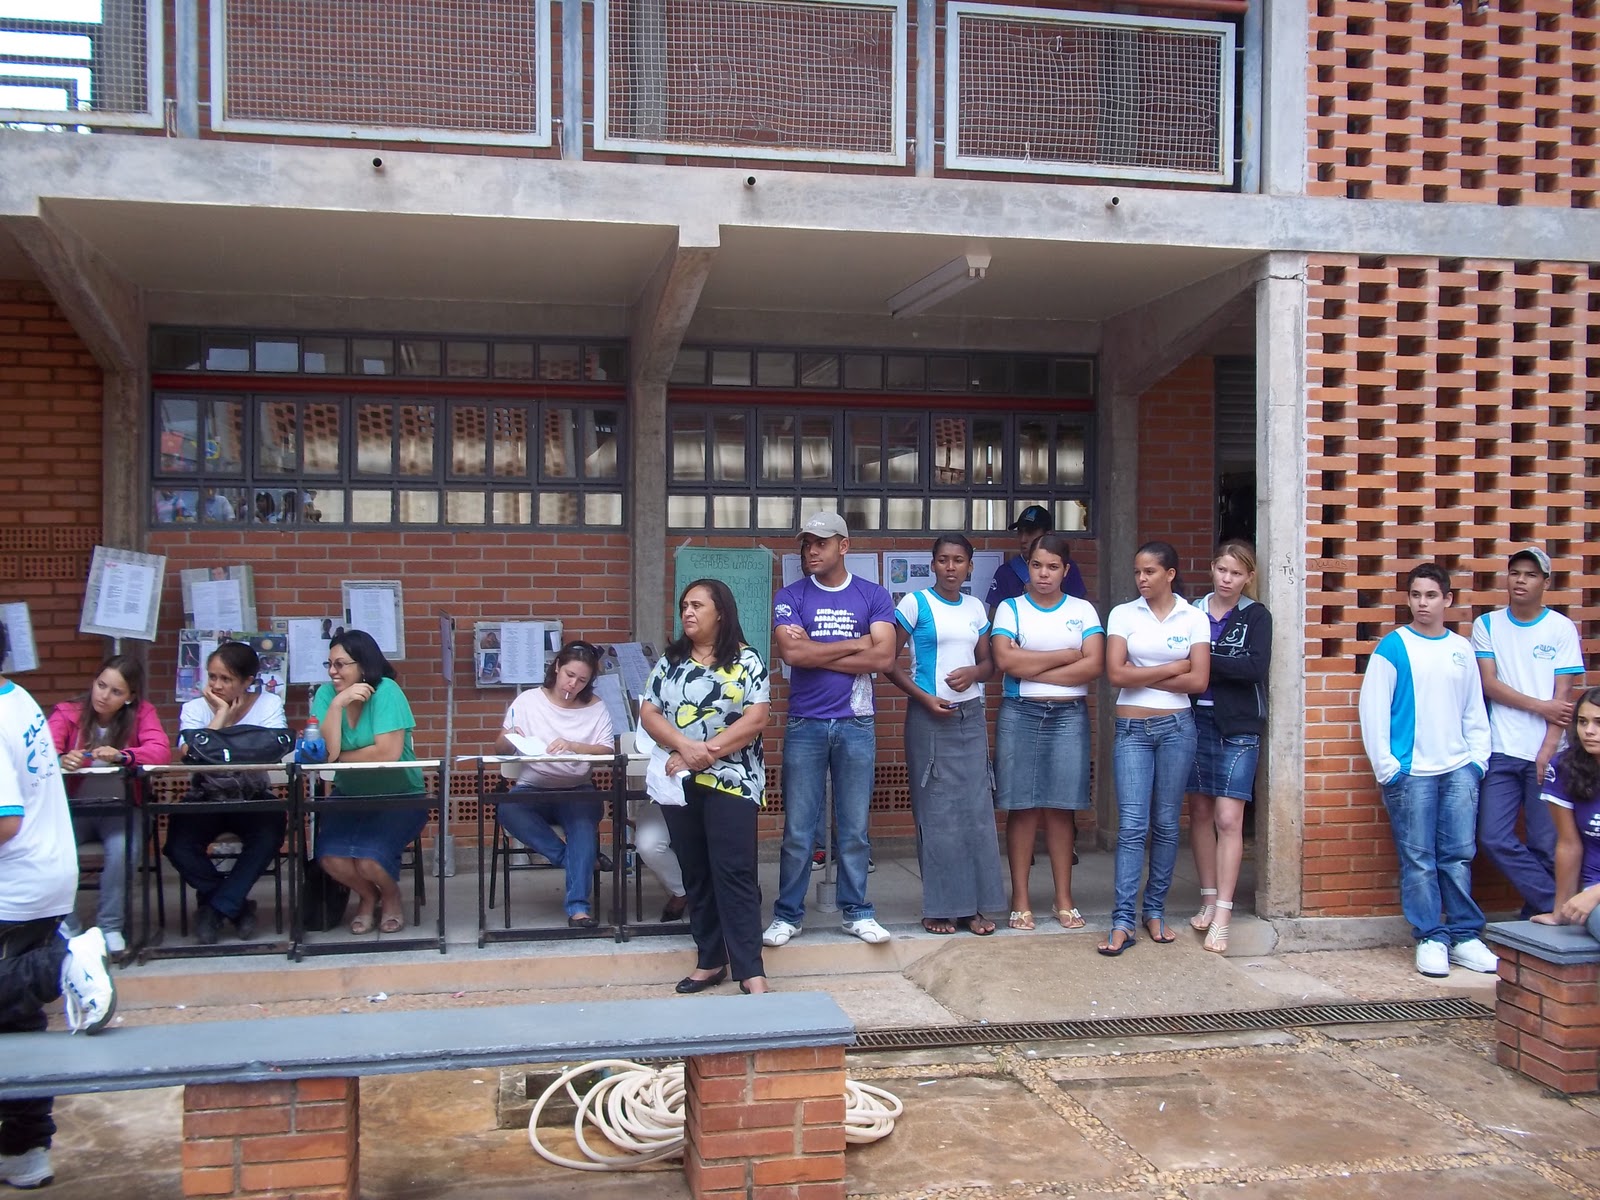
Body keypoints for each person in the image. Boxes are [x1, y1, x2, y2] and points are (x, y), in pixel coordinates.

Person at [0, 620, 119, 1190]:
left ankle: (64, 962)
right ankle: (24, 1151)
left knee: (12, 992)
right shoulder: (17, 696)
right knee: (16, 1024)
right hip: (48, 872)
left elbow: (4, 821)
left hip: (13, 883)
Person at [1358, 563, 1497, 978]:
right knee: (1418, 859)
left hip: (1458, 769)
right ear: (1408, 599)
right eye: (1416, 595)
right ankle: (1431, 936)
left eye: (1431, 595)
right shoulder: (1393, 647)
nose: (1423, 603)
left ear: (1447, 600)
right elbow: (1373, 711)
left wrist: (1477, 761)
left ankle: (1465, 936)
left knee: (1458, 856)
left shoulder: (1462, 649)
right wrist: (1388, 768)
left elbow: (1475, 709)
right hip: (1411, 772)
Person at [765, 511, 896, 947]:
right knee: (798, 830)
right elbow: (793, 655)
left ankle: (857, 911)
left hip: (856, 722)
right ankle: (788, 915)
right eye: (806, 544)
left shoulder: (873, 595)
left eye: (820, 543)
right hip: (805, 722)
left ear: (844, 545)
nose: (811, 551)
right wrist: (857, 642)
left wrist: (817, 649)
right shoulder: (790, 594)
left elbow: (883, 660)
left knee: (855, 828)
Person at [641, 579, 772, 993]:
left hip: (733, 781)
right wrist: (684, 746)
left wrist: (707, 752)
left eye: (697, 605)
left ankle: (750, 969)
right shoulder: (671, 660)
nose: (688, 613)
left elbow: (756, 719)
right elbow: (648, 711)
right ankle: (709, 960)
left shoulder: (747, 660)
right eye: (684, 606)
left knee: (734, 872)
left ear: (721, 612)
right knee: (696, 872)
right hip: (680, 780)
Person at [885, 534, 1006, 936]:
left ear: (970, 567)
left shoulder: (975, 609)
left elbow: (990, 664)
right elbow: (889, 662)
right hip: (929, 716)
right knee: (937, 813)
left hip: (969, 717)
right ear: (932, 565)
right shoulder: (915, 604)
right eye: (943, 560)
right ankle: (939, 908)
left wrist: (974, 673)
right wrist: (924, 698)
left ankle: (973, 907)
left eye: (959, 561)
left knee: (975, 812)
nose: (951, 567)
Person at [988, 532, 1104, 933]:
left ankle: (1063, 898)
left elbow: (1093, 667)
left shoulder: (1083, 610)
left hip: (1069, 716)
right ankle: (1020, 899)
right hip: (1020, 713)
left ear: (1065, 571)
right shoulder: (1009, 608)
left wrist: (1032, 663)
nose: (1044, 573)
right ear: (1028, 567)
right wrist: (1065, 656)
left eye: (1053, 566)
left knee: (1060, 807)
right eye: (1037, 565)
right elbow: (1005, 660)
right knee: (1022, 806)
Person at [1100, 542, 1210, 956]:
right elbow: (1114, 674)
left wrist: (1140, 675)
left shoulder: (1193, 616)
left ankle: (1155, 911)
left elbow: (1198, 682)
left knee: (1166, 824)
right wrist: (1171, 668)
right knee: (1131, 826)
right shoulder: (1123, 614)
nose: (1141, 579)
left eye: (1149, 572)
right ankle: (1122, 920)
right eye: (1137, 572)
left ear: (1170, 574)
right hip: (1131, 727)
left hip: (1178, 728)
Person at [1472, 546, 1584, 916]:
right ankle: (1560, 906)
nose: (1521, 580)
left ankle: (1536, 920)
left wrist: (1549, 747)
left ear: (1546, 583)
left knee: (1545, 842)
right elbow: (1490, 685)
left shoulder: (1560, 628)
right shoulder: (1487, 625)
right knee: (1492, 836)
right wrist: (1541, 707)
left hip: (1548, 751)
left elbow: (1564, 697)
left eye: (1531, 574)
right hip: (1501, 749)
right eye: (1515, 572)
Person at [47, 655, 172, 957]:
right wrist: (62, 759)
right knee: (49, 848)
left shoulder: (143, 713)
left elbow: (160, 751)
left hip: (123, 809)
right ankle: (68, 925)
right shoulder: (68, 712)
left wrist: (124, 755)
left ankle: (110, 926)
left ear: (130, 698)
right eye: (101, 685)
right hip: (75, 809)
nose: (104, 695)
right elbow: (42, 750)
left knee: (122, 849)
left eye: (116, 692)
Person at [164, 641, 289, 944]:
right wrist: (220, 718)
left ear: (247, 682)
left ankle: (215, 909)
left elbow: (273, 749)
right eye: (212, 677)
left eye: (226, 679)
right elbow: (189, 755)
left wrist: (210, 746)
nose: (216, 685)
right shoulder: (194, 709)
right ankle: (237, 907)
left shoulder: (268, 704)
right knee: (178, 846)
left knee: (269, 837)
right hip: (205, 797)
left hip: (253, 795)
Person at [1186, 540, 1273, 954]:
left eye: (1236, 573)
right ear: (1212, 569)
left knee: (1228, 818)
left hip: (1238, 725)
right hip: (1193, 718)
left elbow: (1254, 667)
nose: (1227, 579)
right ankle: (1206, 898)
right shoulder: (1191, 611)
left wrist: (1203, 659)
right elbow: (1177, 656)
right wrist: (1213, 662)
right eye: (1222, 570)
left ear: (1248, 578)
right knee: (1200, 812)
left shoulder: (1256, 616)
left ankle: (1223, 911)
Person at [491, 641, 615, 929]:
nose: (573, 684)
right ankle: (575, 860)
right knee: (508, 810)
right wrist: (509, 737)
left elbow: (607, 751)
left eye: (582, 680)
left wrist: (574, 746)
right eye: (569, 675)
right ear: (557, 667)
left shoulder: (596, 708)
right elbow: (499, 748)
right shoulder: (528, 701)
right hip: (532, 787)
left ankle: (578, 910)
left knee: (583, 825)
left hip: (577, 788)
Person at [312, 630, 427, 936]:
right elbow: (326, 753)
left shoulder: (387, 691)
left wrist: (339, 758)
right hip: (349, 794)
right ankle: (368, 896)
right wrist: (337, 705)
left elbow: (387, 753)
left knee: (369, 861)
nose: (332, 671)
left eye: (341, 664)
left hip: (401, 796)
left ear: (363, 665)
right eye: (329, 664)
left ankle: (390, 897)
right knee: (331, 858)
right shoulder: (326, 696)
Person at [1532, 688, 1600, 938]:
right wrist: (1560, 910)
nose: (1589, 731)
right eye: (1583, 721)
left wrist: (1594, 894)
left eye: (1598, 723)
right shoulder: (1563, 767)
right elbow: (1569, 845)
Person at [985, 504, 1088, 611]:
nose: (1023, 539)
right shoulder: (1005, 571)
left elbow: (1078, 610)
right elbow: (994, 618)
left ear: (1047, 534)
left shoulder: (1065, 568)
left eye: (1030, 532)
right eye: (1020, 532)